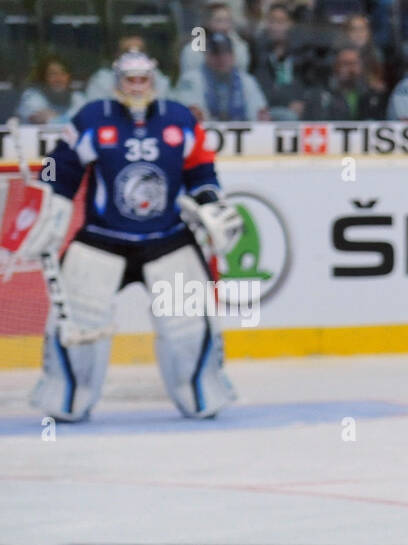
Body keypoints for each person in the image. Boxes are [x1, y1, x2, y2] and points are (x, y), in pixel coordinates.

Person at [16, 51, 242, 422]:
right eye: (129, 80)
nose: (137, 87)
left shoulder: (180, 119)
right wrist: (46, 196)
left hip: (167, 238)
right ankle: (69, 396)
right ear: (117, 81)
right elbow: (61, 162)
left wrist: (210, 201)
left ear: (154, 81)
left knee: (188, 329)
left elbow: (202, 171)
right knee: (78, 323)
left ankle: (200, 391)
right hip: (102, 239)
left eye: (143, 79)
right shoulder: (92, 117)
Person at [175, 31, 271, 121]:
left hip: (243, 134)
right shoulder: (191, 79)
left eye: (226, 53)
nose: (221, 58)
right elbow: (192, 112)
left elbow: (259, 113)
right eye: (215, 53)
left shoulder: (247, 81)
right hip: (206, 133)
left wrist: (260, 115)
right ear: (206, 56)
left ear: (233, 56)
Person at [302, 45, 388, 121]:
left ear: (361, 67)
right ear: (335, 67)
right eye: (345, 64)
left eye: (354, 64)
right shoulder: (322, 95)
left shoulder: (371, 94)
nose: (351, 69)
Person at [85, 37, 174, 102]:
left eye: (140, 51)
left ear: (146, 54)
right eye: (127, 51)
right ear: (117, 54)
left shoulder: (159, 80)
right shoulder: (102, 80)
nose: (133, 56)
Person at [17, 56, 86, 125]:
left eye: (63, 73)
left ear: (69, 76)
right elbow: (41, 120)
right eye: (53, 74)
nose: (58, 79)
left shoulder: (78, 98)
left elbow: (84, 120)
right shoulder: (32, 96)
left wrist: (56, 118)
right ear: (44, 77)